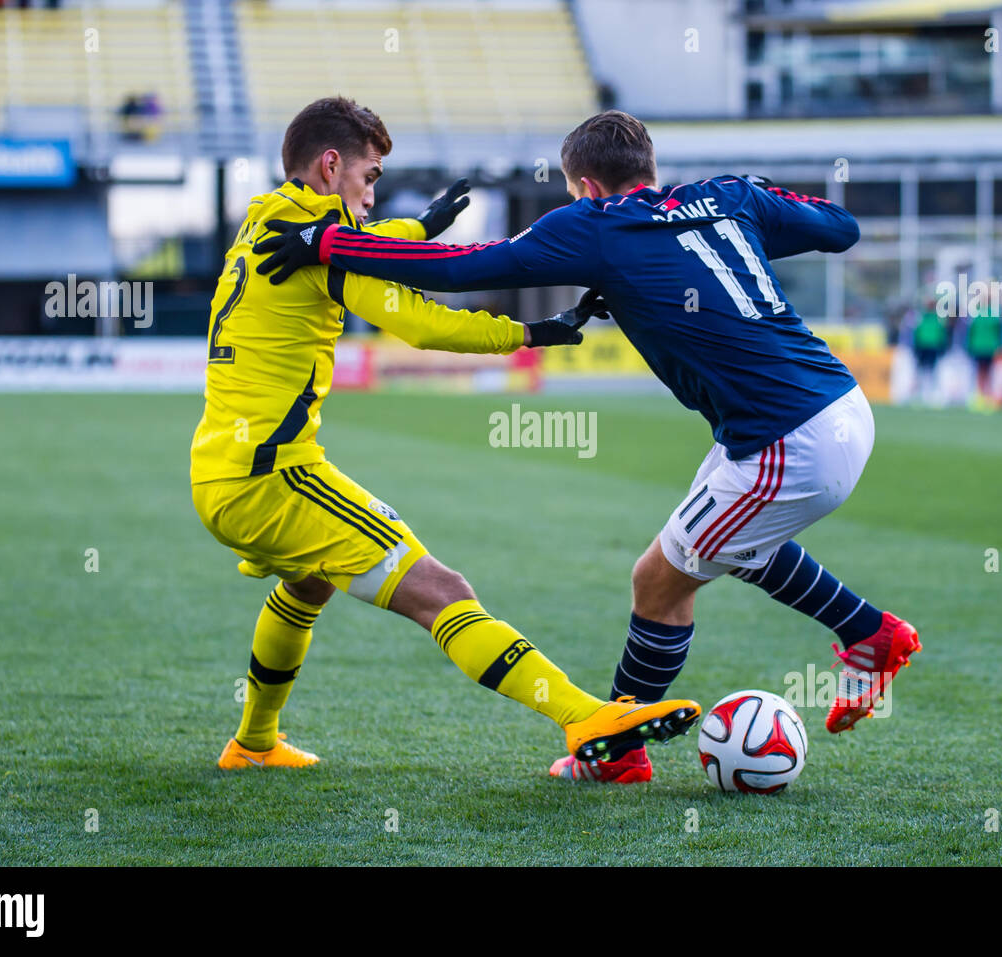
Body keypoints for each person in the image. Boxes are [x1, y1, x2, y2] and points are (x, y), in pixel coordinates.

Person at [252, 110, 921, 784]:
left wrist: (326, 244)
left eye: (574, 197)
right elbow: (841, 228)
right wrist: (750, 204)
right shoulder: (727, 197)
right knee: (725, 544)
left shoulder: (596, 224)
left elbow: (462, 267)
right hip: (836, 408)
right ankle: (869, 633)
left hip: (789, 441)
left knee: (659, 580)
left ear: (590, 189)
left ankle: (618, 751)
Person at [191, 98, 700, 772]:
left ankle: (252, 743)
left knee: (309, 583)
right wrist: (528, 333)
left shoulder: (266, 218)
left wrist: (419, 225)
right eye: (369, 178)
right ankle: (585, 717)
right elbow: (424, 323)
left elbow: (362, 238)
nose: (371, 197)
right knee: (444, 590)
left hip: (220, 470)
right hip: (275, 475)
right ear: (331, 164)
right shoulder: (321, 242)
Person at [907, 298, 948, 405]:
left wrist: (941, 346)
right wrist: (916, 346)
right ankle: (918, 394)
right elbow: (917, 333)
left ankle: (932, 395)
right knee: (920, 372)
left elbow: (941, 333)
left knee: (932, 372)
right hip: (922, 347)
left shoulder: (937, 319)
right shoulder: (921, 317)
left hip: (933, 347)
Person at [964, 298, 1002, 411]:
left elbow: (970, 332)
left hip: (980, 347)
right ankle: (985, 398)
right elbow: (998, 332)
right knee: (986, 373)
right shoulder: (994, 316)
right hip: (987, 347)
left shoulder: (976, 315)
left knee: (981, 372)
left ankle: (982, 398)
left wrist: (969, 346)